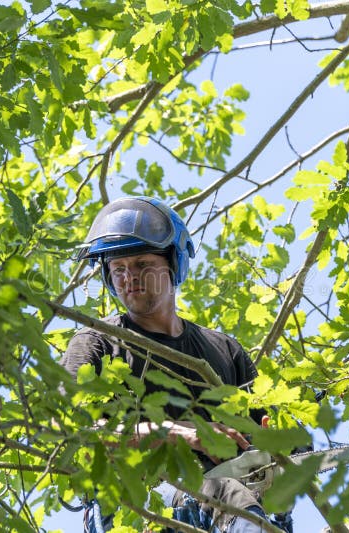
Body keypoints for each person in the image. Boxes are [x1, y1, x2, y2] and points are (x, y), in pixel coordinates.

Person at [60, 196, 292, 533]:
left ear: (173, 263)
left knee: (258, 506)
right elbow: (76, 431)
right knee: (218, 491)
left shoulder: (223, 351)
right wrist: (180, 434)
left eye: (141, 264)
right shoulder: (97, 343)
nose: (129, 277)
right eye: (118, 269)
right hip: (137, 504)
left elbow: (272, 438)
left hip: (227, 505)